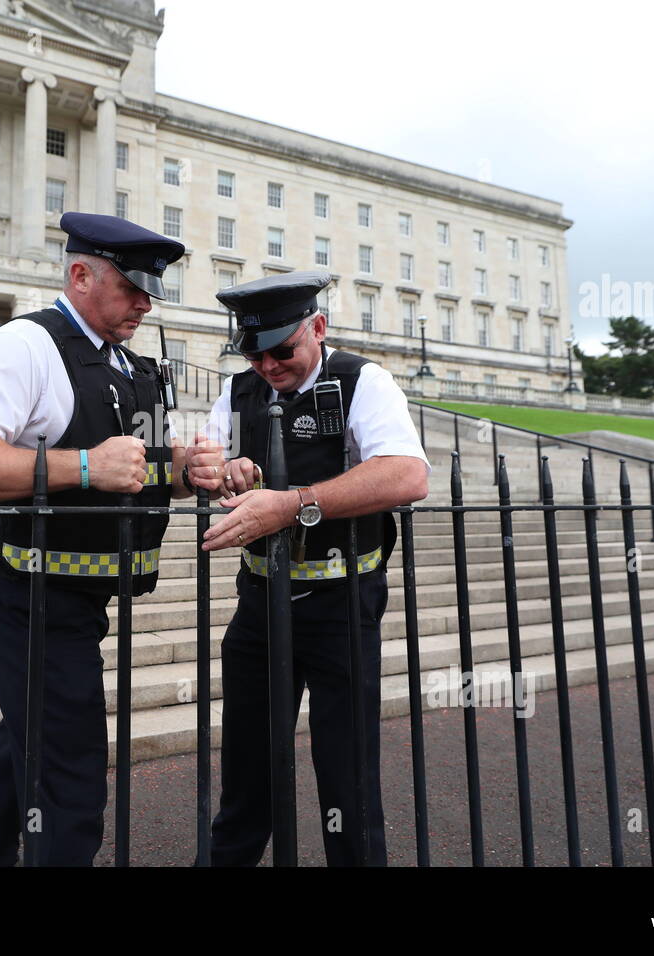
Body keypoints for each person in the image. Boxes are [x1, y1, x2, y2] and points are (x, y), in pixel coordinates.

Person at [0, 211, 190, 866]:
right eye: (131, 286)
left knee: (31, 740)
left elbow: (146, 466)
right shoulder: (24, 348)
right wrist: (83, 466)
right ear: (79, 275)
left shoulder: (131, 367)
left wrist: (190, 470)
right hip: (26, 590)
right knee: (70, 777)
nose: (145, 301)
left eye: (149, 288)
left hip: (83, 593)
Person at [184, 270, 431, 867]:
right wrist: (220, 470)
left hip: (342, 600)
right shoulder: (239, 390)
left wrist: (292, 503)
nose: (267, 366)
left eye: (282, 351)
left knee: (345, 770)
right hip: (260, 597)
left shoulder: (361, 380)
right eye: (253, 352)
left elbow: (408, 474)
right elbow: (201, 462)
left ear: (317, 327)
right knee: (246, 762)